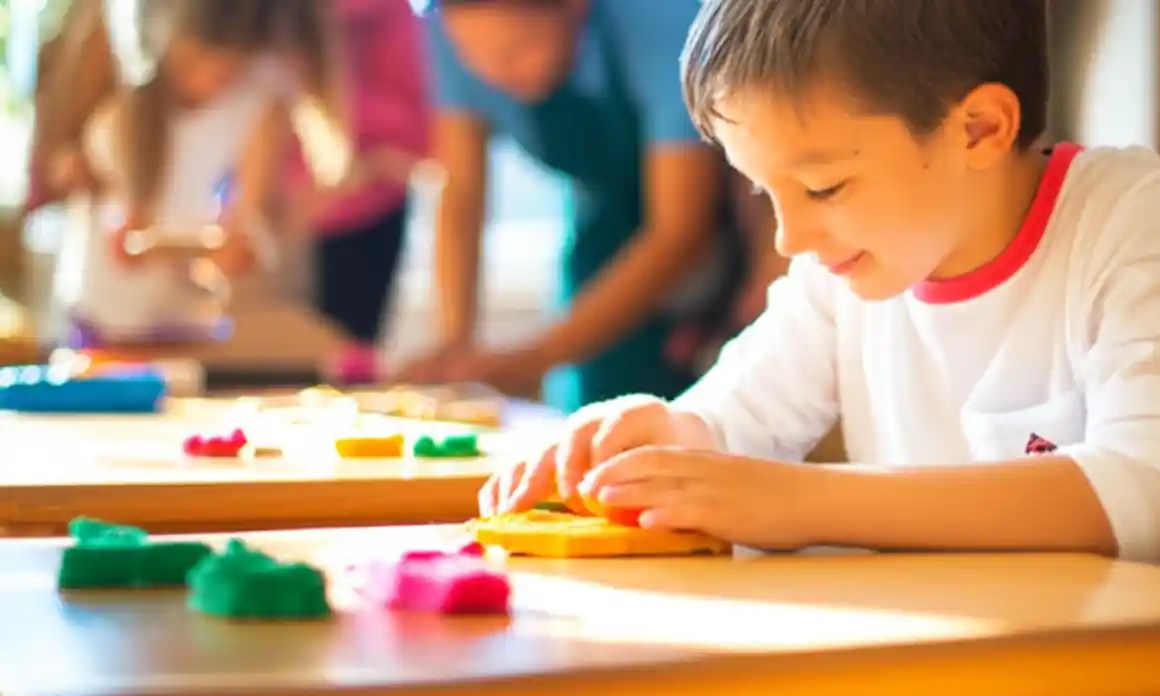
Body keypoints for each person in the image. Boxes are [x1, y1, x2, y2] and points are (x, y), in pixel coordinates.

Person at [481, 0, 1160, 576]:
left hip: (1116, 673)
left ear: (979, 129)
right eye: (764, 192)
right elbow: (732, 422)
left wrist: (802, 502)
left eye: (824, 187)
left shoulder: (1134, 215)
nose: (789, 240)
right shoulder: (840, 271)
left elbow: (1158, 498)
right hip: (927, 655)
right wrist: (656, 432)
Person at [403, 0, 780, 413]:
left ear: (575, 7)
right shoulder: (448, 24)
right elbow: (461, 194)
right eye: (474, 56)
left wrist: (533, 360)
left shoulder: (659, 21)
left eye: (520, 51)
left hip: (735, 225)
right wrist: (456, 346)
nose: (496, 73)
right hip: (605, 226)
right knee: (601, 406)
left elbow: (680, 230)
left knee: (729, 397)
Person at [32, 0, 346, 344]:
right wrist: (76, 173)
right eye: (192, 63)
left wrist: (233, 247)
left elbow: (251, 224)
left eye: (228, 71)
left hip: (183, 319)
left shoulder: (259, 97)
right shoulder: (116, 52)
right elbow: (62, 157)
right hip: (94, 304)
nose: (209, 80)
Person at [283, 0, 433, 382]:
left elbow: (426, 133)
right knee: (286, 356)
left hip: (368, 215)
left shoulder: (391, 19)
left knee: (347, 359)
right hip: (288, 215)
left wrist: (370, 164)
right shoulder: (275, 19)